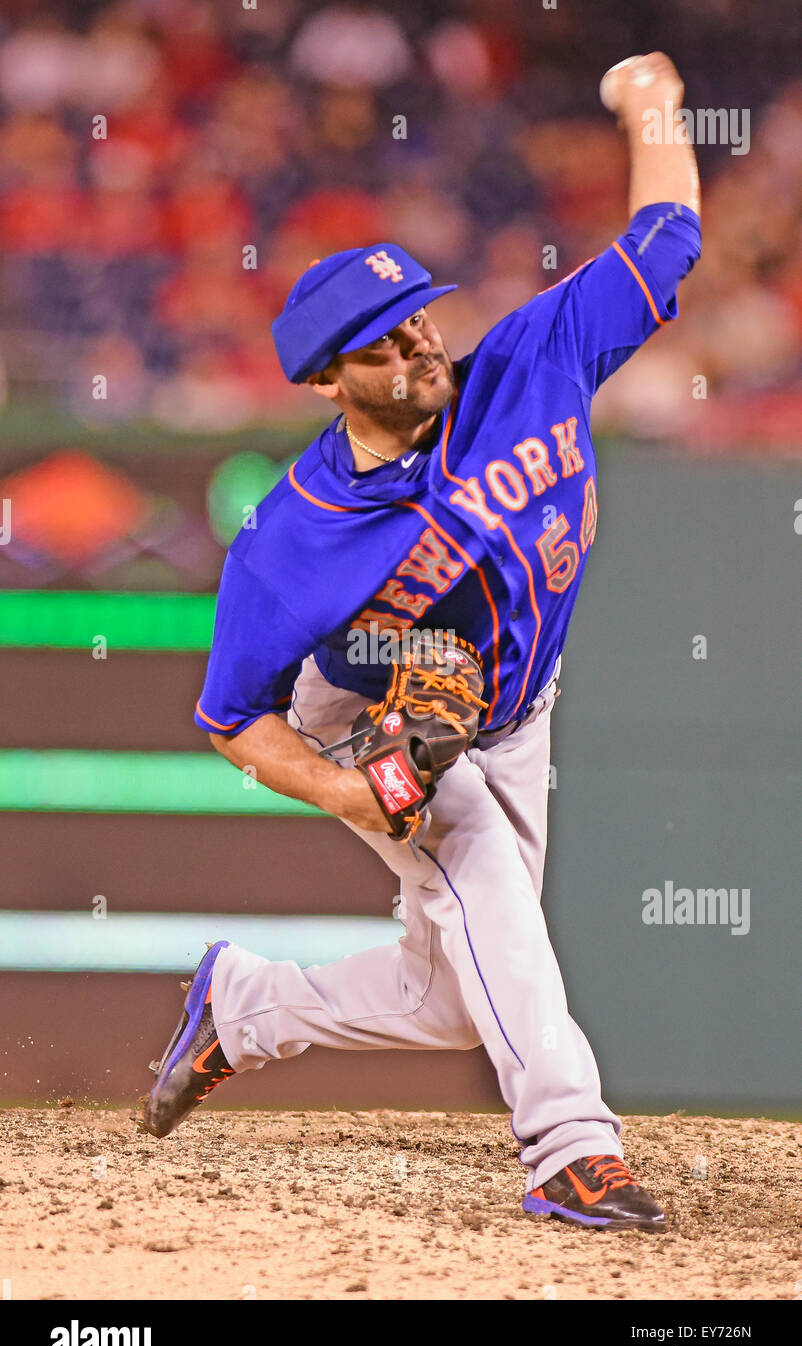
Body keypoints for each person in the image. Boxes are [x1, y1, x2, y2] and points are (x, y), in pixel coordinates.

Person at [139, 55, 701, 1232]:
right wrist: (348, 784)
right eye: (381, 346)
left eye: (418, 323)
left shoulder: (530, 365)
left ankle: (243, 1007)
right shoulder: (290, 540)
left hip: (516, 701)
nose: (416, 352)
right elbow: (232, 722)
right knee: (488, 890)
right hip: (382, 720)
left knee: (459, 992)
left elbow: (665, 244)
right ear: (325, 379)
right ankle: (568, 1146)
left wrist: (654, 104)